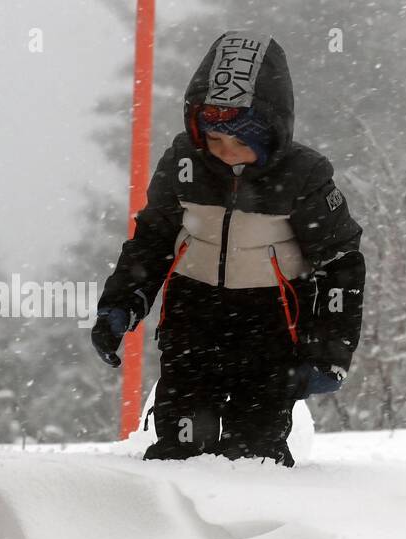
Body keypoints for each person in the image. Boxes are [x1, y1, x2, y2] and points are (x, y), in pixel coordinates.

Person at [91, 31, 365, 464]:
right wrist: (120, 305)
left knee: (254, 453)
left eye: (240, 142)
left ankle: (261, 523)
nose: (224, 153)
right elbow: (152, 242)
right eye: (214, 140)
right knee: (181, 446)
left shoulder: (303, 176)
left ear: (272, 134)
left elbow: (340, 264)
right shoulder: (184, 164)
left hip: (271, 327)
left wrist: (330, 352)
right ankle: (165, 516)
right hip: (191, 320)